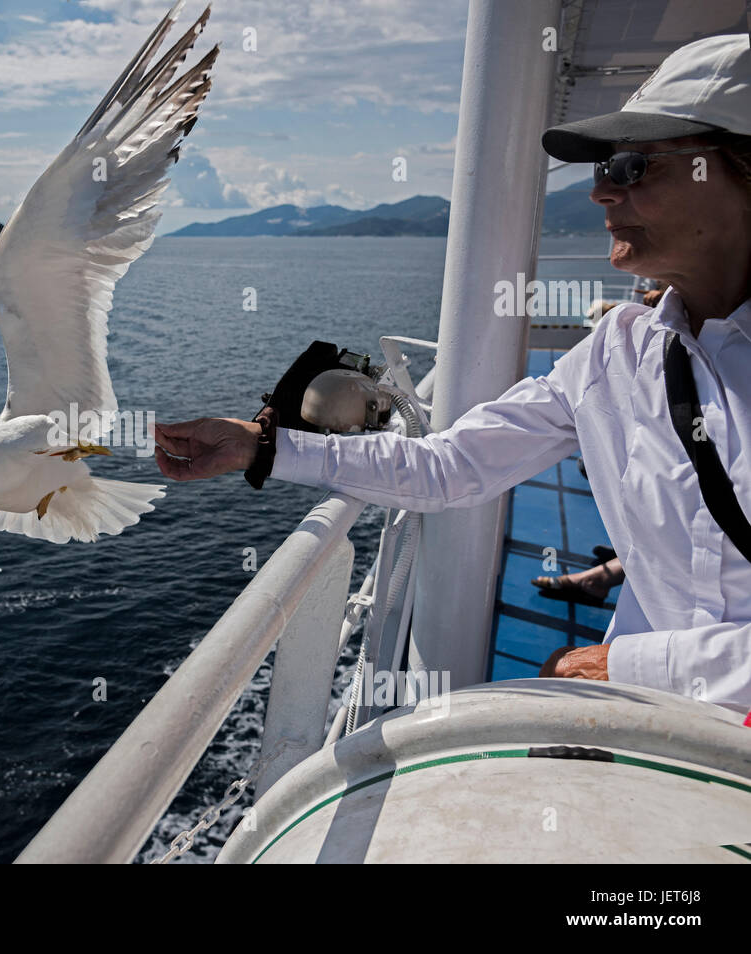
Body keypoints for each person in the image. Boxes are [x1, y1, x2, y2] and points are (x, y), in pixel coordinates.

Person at [154, 34, 751, 715]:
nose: (599, 191)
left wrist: (621, 660)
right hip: (657, 730)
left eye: (632, 165)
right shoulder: (616, 356)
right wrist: (260, 445)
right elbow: (450, 467)